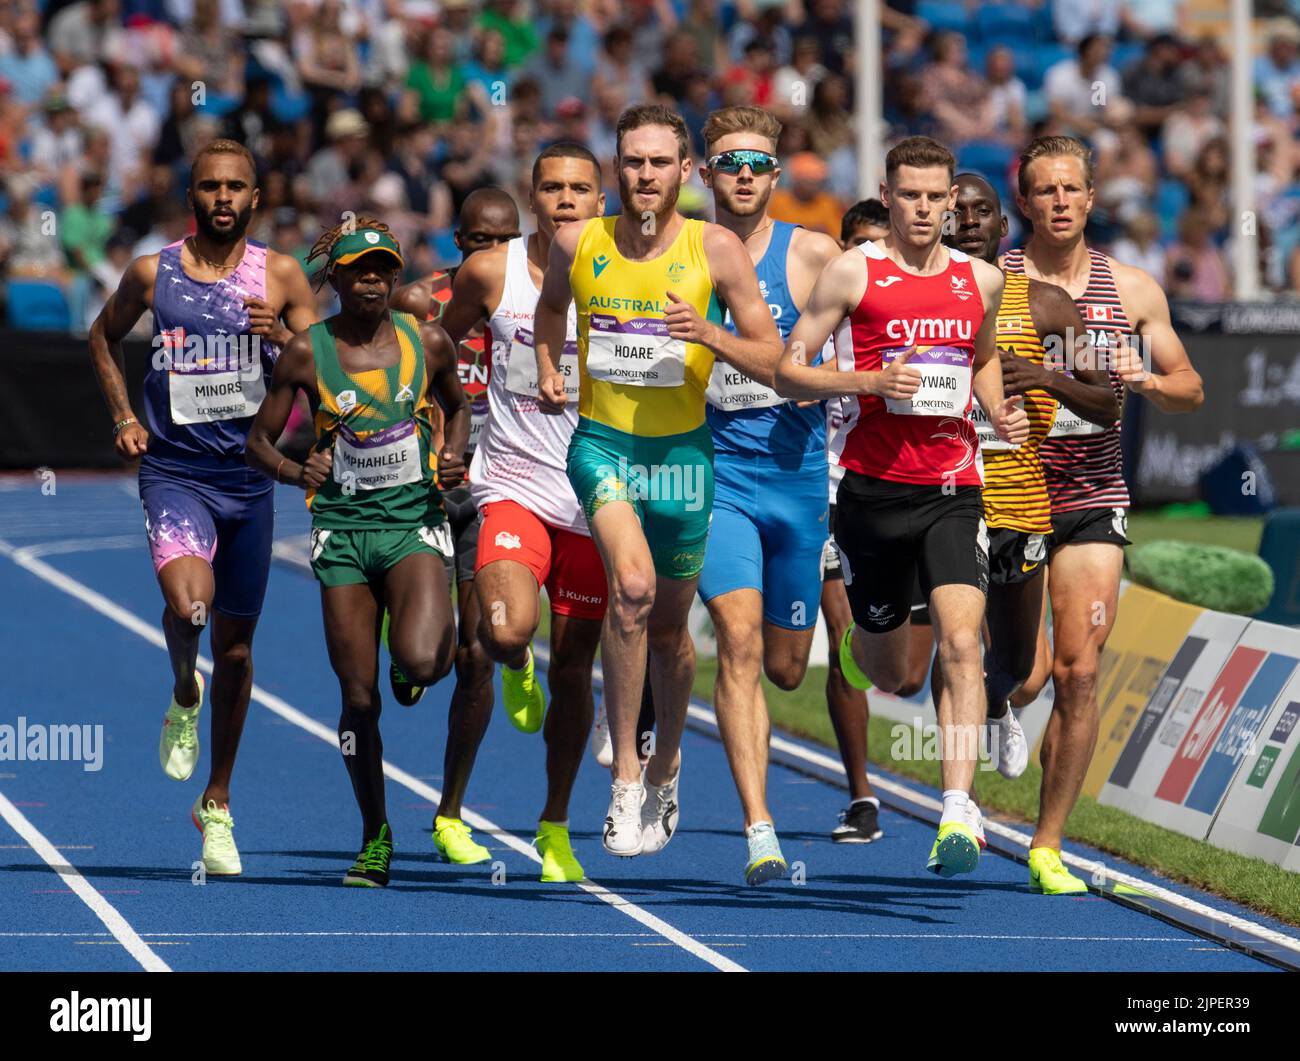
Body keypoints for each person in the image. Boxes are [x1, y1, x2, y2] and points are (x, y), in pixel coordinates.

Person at [773, 135, 1029, 879]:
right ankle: (863, 644)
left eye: (934, 197)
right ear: (888, 196)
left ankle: (956, 808)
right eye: (908, 195)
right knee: (892, 674)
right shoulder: (853, 272)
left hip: (953, 488)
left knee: (960, 640)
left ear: (953, 201)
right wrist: (868, 383)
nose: (922, 209)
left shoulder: (980, 280)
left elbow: (980, 359)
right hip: (868, 496)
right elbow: (791, 373)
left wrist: (998, 412)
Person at [533, 103, 783, 858]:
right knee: (632, 590)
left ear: (686, 171)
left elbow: (771, 354)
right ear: (617, 168)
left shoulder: (717, 251)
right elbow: (550, 313)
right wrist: (549, 365)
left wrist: (708, 333)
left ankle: (669, 761)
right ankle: (626, 779)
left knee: (673, 626)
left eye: (658, 163)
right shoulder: (578, 242)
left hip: (681, 458)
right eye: (631, 161)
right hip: (603, 445)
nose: (644, 175)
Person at [87, 139, 318, 875]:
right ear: (193, 197)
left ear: (256, 197)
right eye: (211, 186)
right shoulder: (154, 273)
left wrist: (279, 338)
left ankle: (216, 800)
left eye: (236, 187)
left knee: (240, 648)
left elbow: (323, 373)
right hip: (175, 472)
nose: (223, 197)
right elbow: (100, 335)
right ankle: (184, 688)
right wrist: (124, 413)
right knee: (191, 605)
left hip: (249, 479)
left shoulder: (279, 275)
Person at [1004, 135, 1203, 894]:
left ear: (1092, 198)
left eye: (1071, 190)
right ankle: (996, 696)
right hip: (1008, 492)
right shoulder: (995, 280)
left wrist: (1144, 378)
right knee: (1023, 678)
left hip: (1091, 495)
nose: (1059, 202)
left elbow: (1190, 387)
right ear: (1025, 202)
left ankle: (1047, 844)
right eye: (1045, 190)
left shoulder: (1134, 290)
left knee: (1079, 671)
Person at [245, 221, 469, 887]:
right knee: (358, 698)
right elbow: (258, 440)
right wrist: (294, 471)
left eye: (382, 269)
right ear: (336, 280)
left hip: (413, 523)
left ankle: (416, 656)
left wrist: (453, 453)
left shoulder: (427, 341)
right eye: (358, 270)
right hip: (342, 532)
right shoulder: (306, 355)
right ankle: (375, 834)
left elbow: (458, 409)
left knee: (424, 658)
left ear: (396, 277)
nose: (371, 280)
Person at [436, 143, 608, 881]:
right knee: (506, 634)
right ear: (532, 198)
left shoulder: (629, 277)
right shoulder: (490, 271)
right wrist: (446, 425)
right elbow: (430, 350)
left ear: (600, 201)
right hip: (509, 485)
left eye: (579, 188)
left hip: (598, 502)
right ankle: (514, 661)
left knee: (574, 671)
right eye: (552, 187)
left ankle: (556, 826)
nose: (565, 199)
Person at [937, 174, 1118, 841]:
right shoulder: (915, 300)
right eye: (954, 210)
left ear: (1000, 226)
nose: (966, 220)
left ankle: (995, 702)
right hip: (943, 493)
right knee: (952, 640)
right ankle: (957, 805)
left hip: (1021, 499)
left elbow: (1107, 402)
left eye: (980, 210)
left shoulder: (1043, 307)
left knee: (1024, 670)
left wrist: (1044, 375)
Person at [696, 105, 841, 884]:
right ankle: (760, 827)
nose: (744, 175)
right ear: (705, 173)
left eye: (756, 163)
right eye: (729, 162)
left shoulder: (816, 254)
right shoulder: (679, 251)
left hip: (798, 478)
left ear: (776, 177)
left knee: (787, 667)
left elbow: (891, 309)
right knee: (740, 642)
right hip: (714, 474)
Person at [386, 188, 520, 863]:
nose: (493, 255)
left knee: (478, 656)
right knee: (429, 662)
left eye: (506, 241)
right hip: (426, 492)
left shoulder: (538, 300)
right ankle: (406, 633)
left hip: (497, 489)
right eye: (480, 242)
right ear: (458, 243)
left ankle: (450, 812)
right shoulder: (419, 303)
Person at [822, 197, 889, 843]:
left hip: (891, 487)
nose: (868, 256)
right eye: (857, 244)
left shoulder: (907, 312)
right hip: (820, 486)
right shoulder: (819, 305)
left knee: (895, 661)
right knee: (833, 643)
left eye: (879, 243)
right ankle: (861, 796)